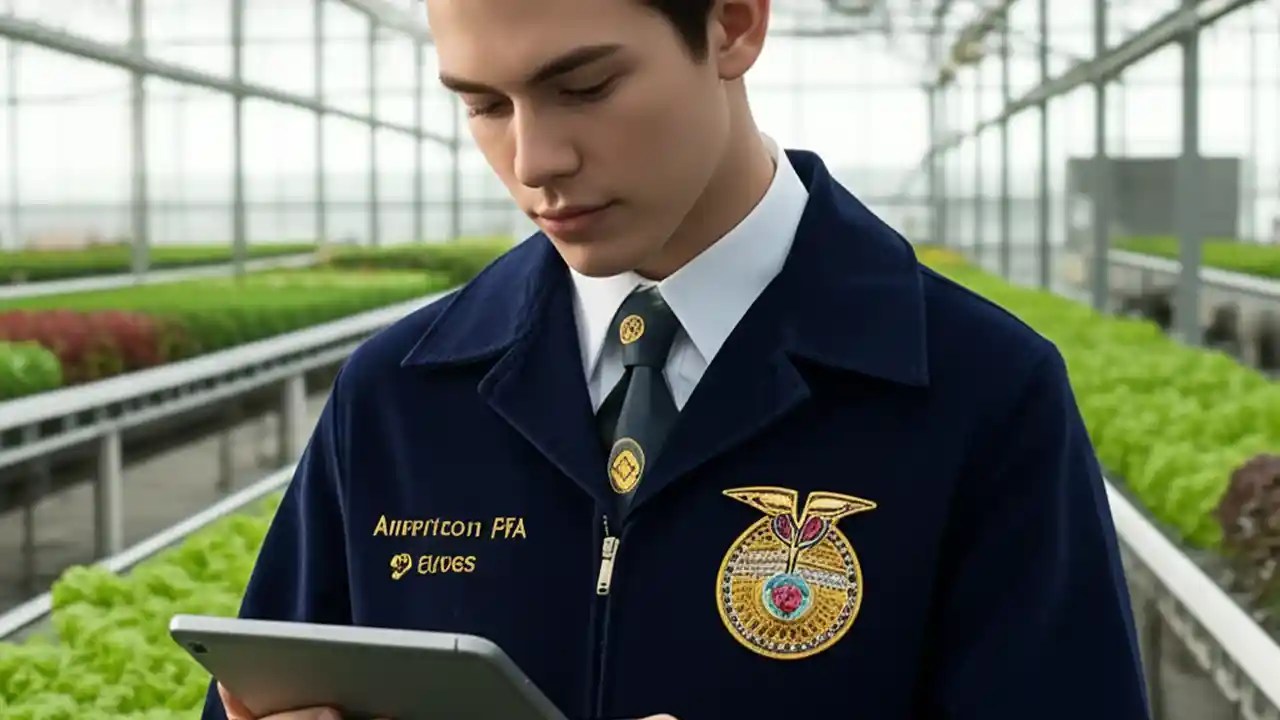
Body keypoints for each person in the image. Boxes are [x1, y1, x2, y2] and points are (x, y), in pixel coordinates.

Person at [206, 0, 1152, 718]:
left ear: (734, 25)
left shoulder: (979, 393)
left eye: (584, 87)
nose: (535, 159)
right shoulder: (400, 396)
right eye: (485, 105)